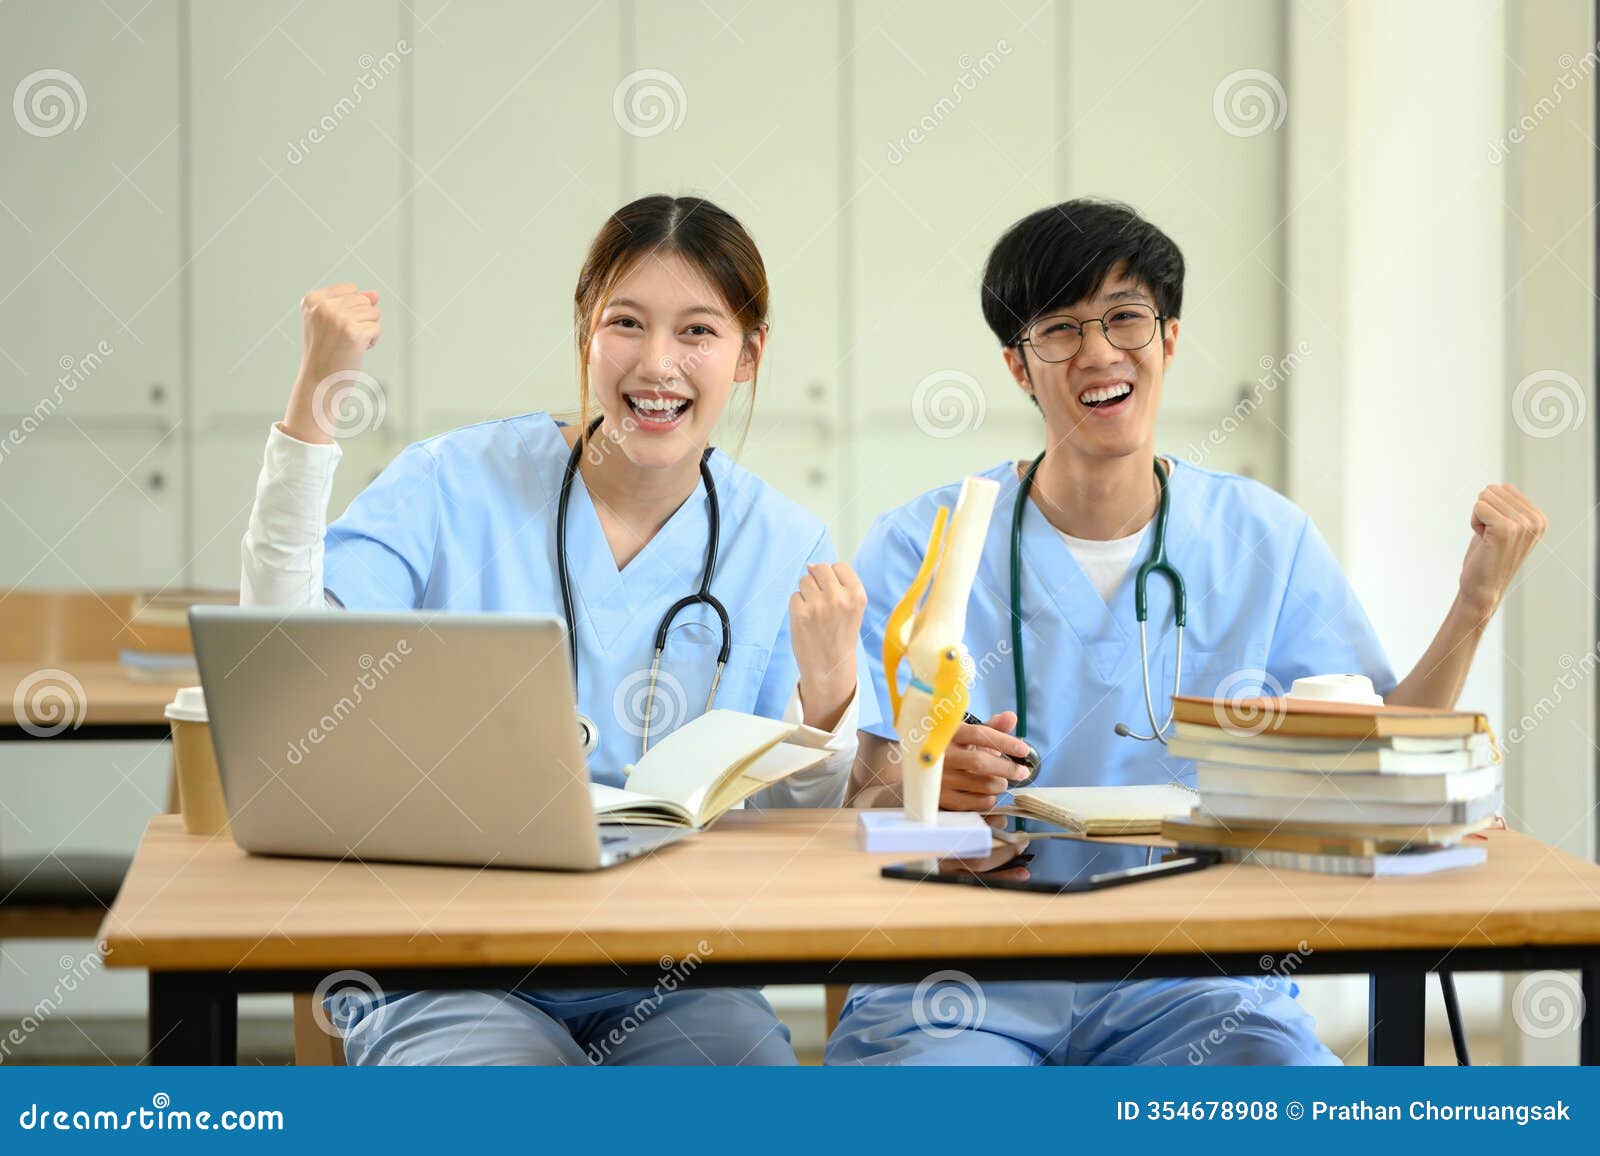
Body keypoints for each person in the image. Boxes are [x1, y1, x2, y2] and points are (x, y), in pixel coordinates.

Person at [831, 198, 1546, 1066]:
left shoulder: (1262, 537)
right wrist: (925, 796)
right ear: (1019, 366)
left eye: (1125, 317)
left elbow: (1381, 770)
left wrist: (1473, 605)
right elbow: (865, 799)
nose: (1099, 352)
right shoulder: (925, 542)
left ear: (1169, 339)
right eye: (1059, 329)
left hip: (1194, 974)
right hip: (962, 975)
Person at [241, 194, 873, 1065]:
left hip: (672, 973)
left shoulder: (782, 544)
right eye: (626, 323)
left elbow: (792, 827)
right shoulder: (449, 485)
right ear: (585, 332)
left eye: (697, 331)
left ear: (749, 354)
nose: (657, 365)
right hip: (449, 960)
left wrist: (832, 698)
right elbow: (286, 669)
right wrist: (316, 399)